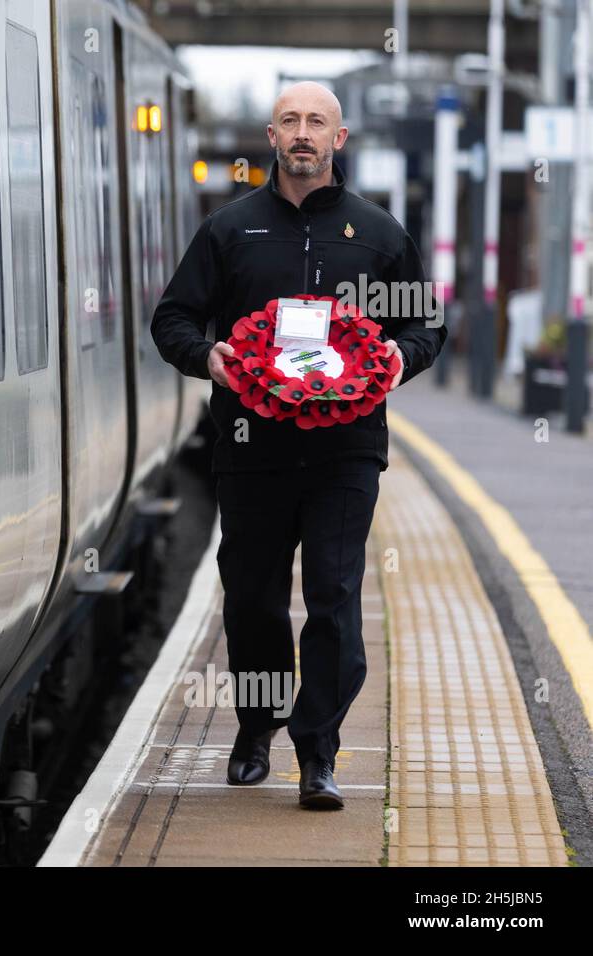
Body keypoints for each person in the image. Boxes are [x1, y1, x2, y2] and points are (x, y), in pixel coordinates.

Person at [151, 81, 446, 809]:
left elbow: (426, 326)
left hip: (346, 450)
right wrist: (208, 357)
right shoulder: (230, 231)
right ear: (271, 136)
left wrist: (397, 360)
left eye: (318, 122)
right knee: (252, 600)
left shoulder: (379, 235)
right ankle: (256, 730)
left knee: (334, 595)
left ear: (339, 139)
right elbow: (173, 318)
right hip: (250, 449)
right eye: (291, 121)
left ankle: (319, 753)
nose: (304, 133)